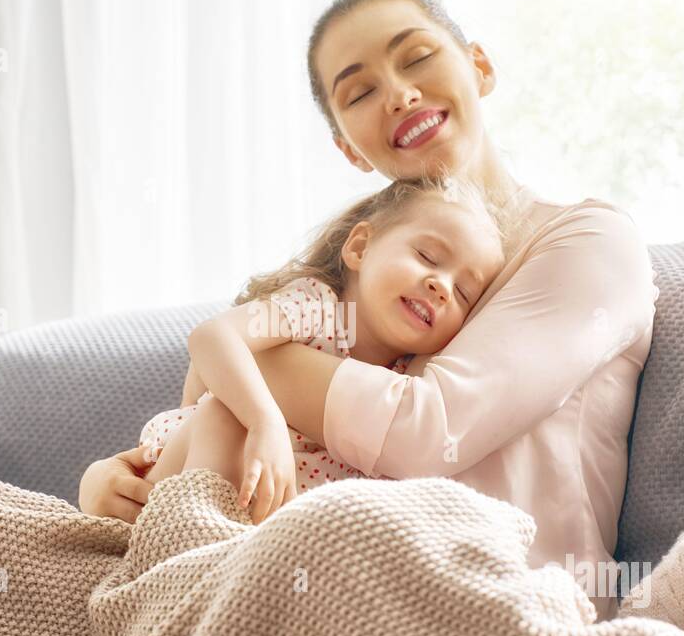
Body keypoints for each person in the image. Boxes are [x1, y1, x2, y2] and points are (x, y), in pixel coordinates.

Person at [79, 0, 660, 622]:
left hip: (508, 599)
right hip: (320, 590)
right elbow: (204, 415)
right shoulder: (349, 280)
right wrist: (119, 485)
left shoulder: (587, 240)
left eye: (415, 57)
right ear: (349, 149)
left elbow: (425, 430)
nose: (399, 94)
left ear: (480, 65)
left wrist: (246, 358)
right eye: (359, 92)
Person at [137, 174, 509, 525]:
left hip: (271, 523)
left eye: (463, 293)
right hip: (193, 475)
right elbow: (213, 336)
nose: (442, 286)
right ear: (361, 247)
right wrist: (264, 421)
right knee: (225, 417)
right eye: (428, 257)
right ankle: (192, 550)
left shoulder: (409, 382)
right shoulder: (316, 307)